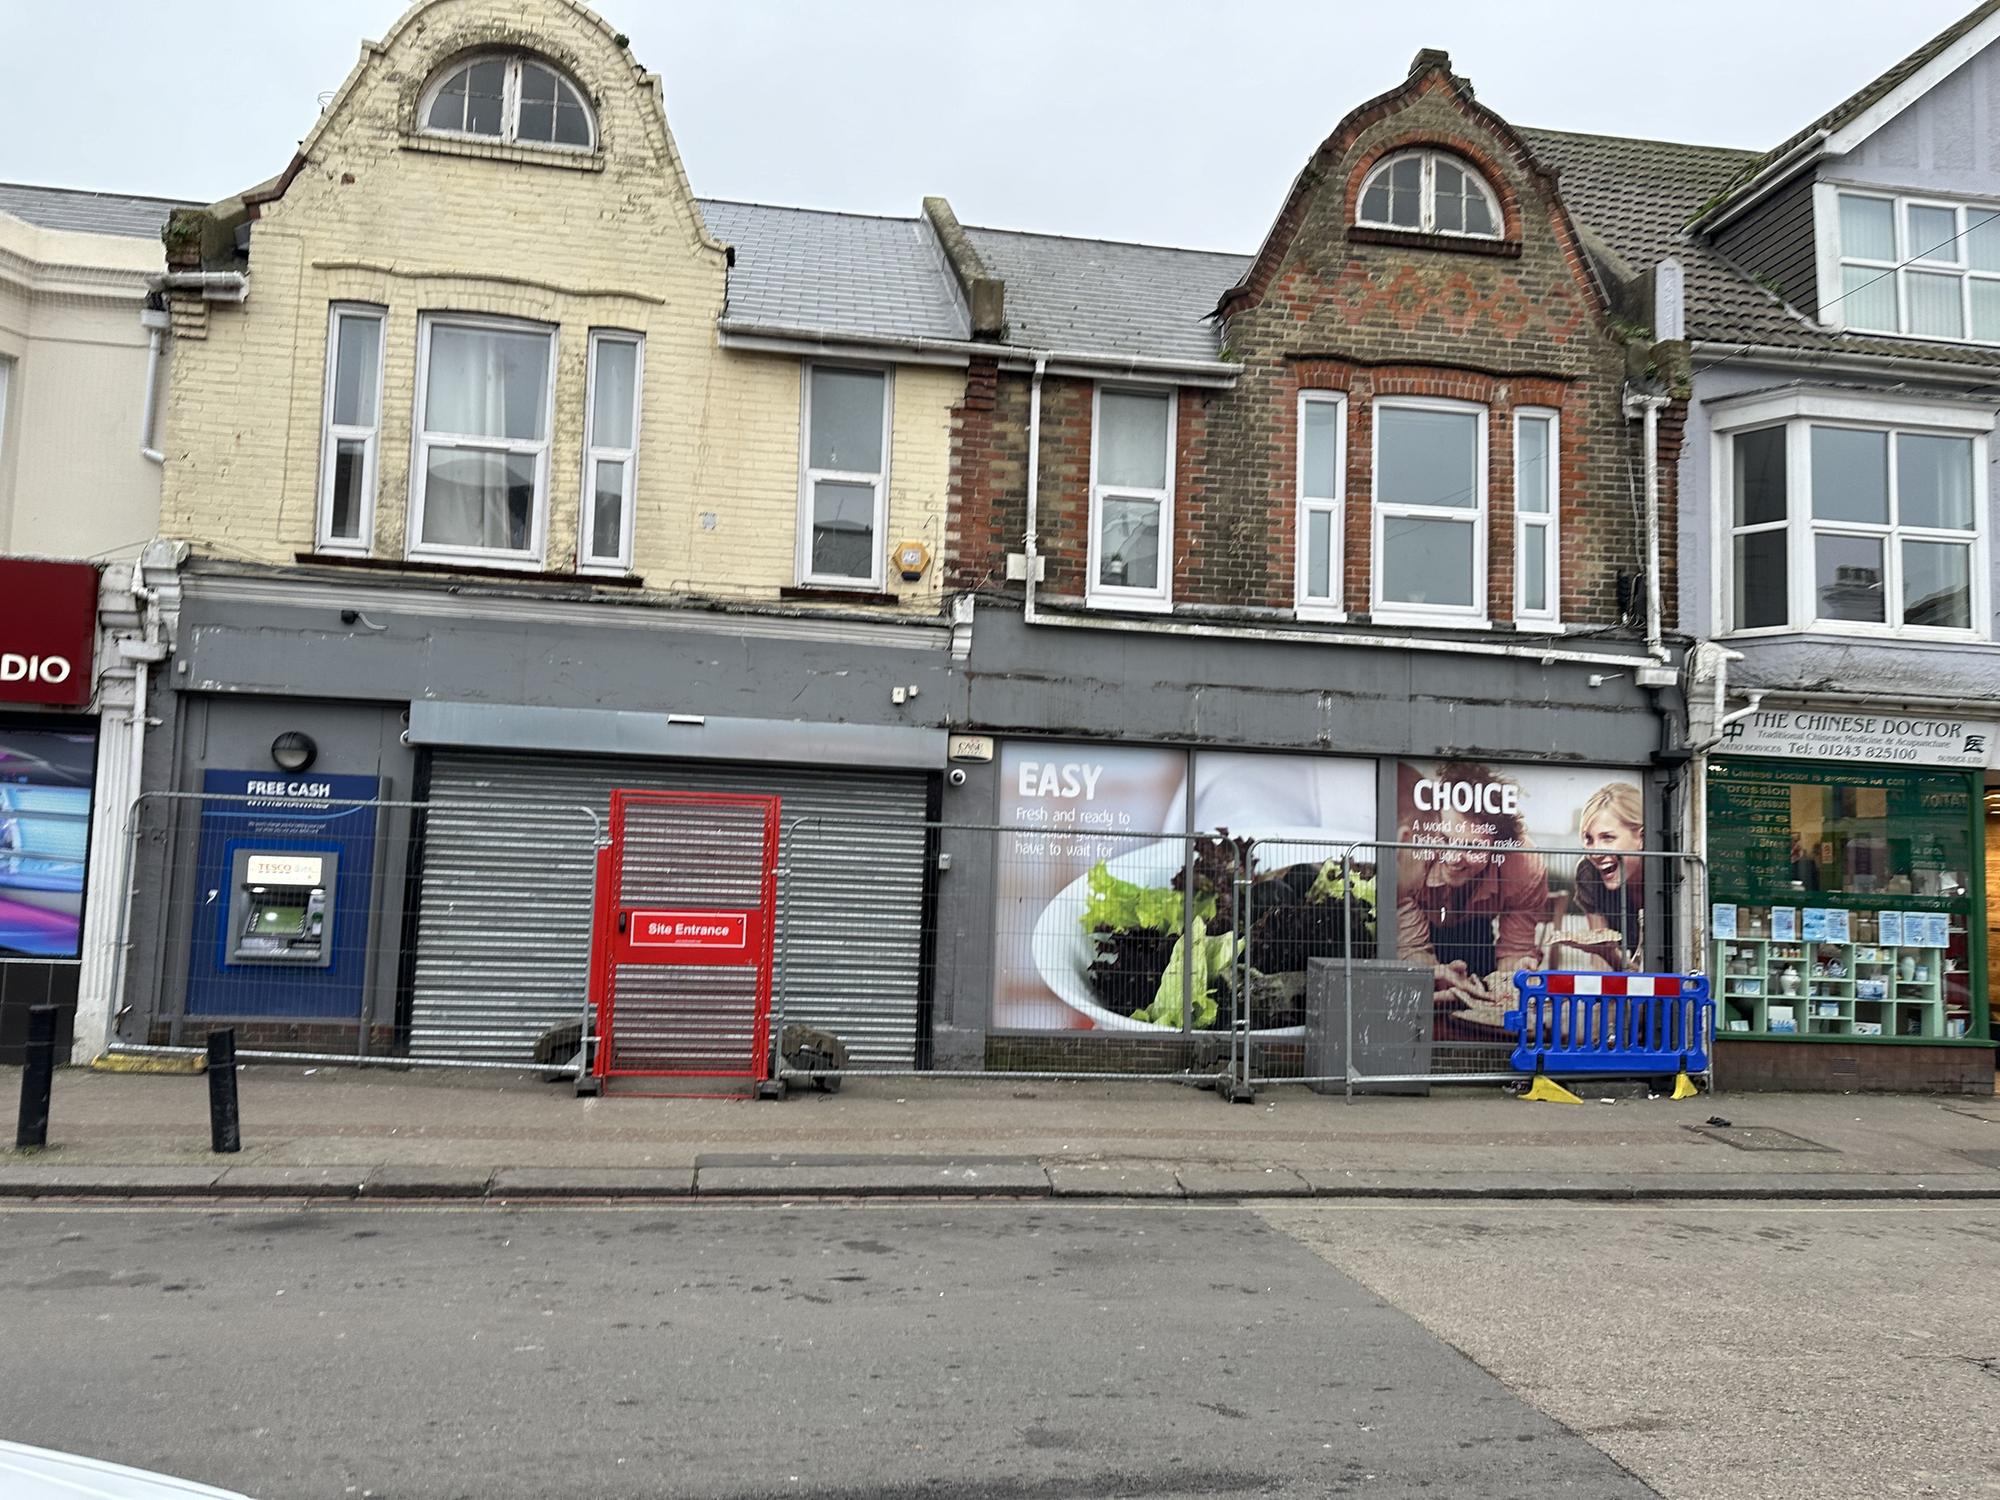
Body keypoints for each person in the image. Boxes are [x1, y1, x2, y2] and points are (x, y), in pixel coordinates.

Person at [1396, 762, 1549, 1034]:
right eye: (1445, 839)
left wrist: (1517, 970)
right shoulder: (1411, 851)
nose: (1453, 858)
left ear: (1498, 846)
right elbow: (1409, 946)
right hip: (1421, 920)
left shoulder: (1523, 866)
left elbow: (1514, 952)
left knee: (1478, 1016)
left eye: (1472, 847)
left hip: (1476, 929)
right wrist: (1427, 971)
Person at [1542, 781, 1645, 972]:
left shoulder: (1671, 875)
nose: (1595, 853)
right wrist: (1604, 952)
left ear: (1641, 837)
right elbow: (1604, 967)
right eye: (1589, 839)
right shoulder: (1589, 874)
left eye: (1608, 838)